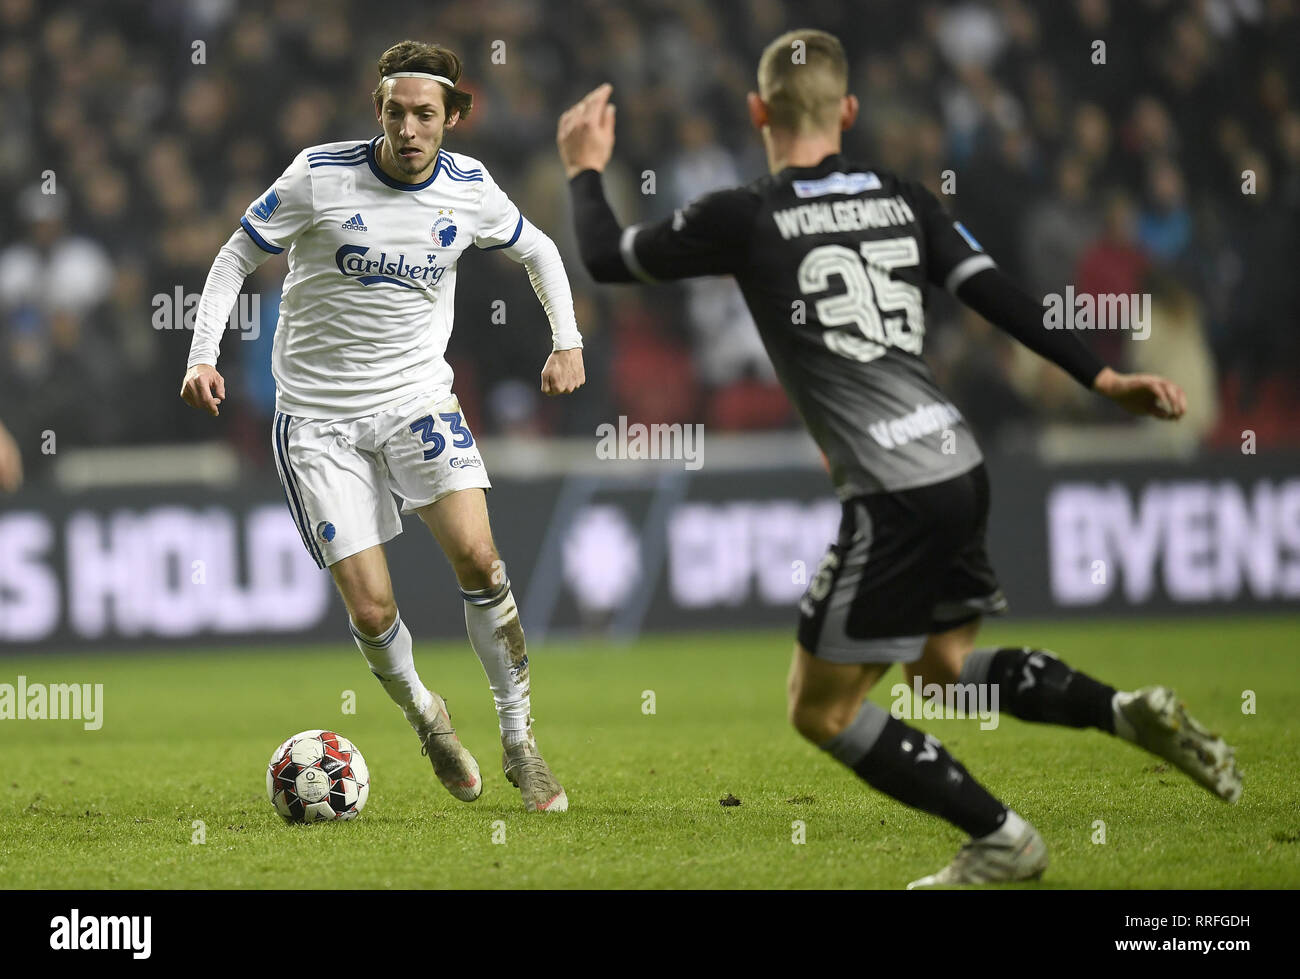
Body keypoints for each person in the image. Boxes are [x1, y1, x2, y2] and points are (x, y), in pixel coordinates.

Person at [557, 28, 1241, 886]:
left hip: (892, 489)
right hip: (958, 461)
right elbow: (998, 293)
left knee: (819, 709)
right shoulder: (904, 198)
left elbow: (604, 257)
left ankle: (1000, 836)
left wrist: (585, 166)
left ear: (757, 110)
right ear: (847, 111)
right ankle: (1121, 709)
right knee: (945, 673)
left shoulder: (747, 213)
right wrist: (1105, 375)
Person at [182, 40, 585, 813]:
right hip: (319, 420)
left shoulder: (469, 189)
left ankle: (520, 743)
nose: (409, 127)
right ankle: (426, 715)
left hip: (417, 400)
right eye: (396, 112)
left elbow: (537, 250)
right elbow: (236, 255)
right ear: (379, 111)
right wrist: (204, 356)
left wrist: (566, 340)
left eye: (425, 114)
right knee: (371, 608)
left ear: (452, 117)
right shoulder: (319, 175)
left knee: (480, 556)